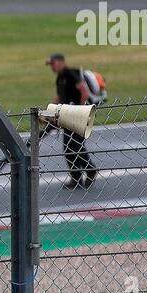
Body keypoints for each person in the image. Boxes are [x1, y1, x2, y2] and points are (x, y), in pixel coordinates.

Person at [47, 52, 98, 190]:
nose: (52, 67)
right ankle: (77, 178)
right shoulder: (60, 78)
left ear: (61, 62)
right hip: (67, 116)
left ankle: (90, 171)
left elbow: (84, 91)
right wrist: (49, 112)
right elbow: (59, 97)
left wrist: (81, 111)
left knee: (75, 146)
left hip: (78, 116)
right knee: (69, 148)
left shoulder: (70, 74)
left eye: (53, 63)